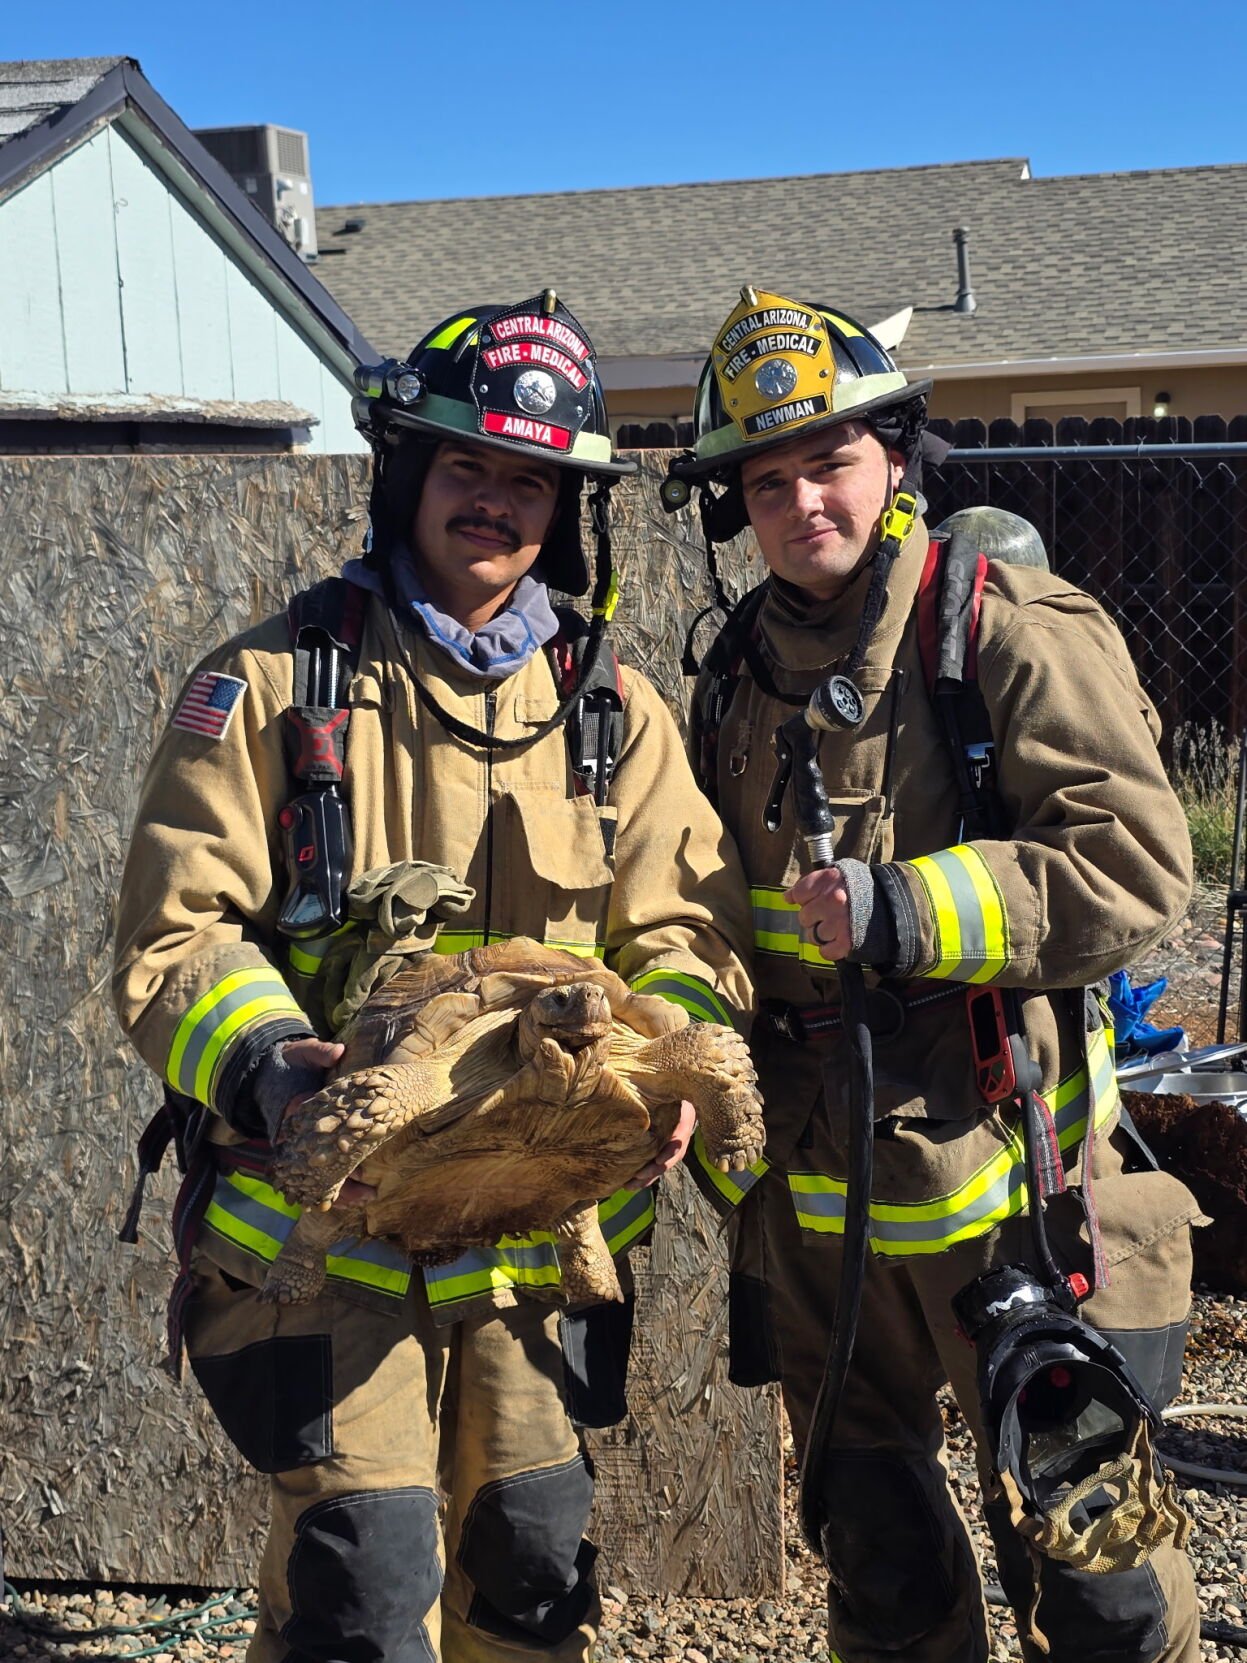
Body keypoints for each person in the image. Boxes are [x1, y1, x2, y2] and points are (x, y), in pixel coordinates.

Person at [112, 289, 753, 1663]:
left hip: (537, 1234)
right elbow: (176, 936)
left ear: (565, 515)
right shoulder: (280, 686)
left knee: (530, 1561)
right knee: (364, 1571)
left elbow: (686, 930)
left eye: (532, 482)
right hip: (322, 1227)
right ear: (408, 472)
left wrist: (675, 1058)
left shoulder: (611, 711)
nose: (497, 504)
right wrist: (283, 1072)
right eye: (469, 466)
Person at [665, 287, 1202, 1663]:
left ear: (894, 459)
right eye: (767, 480)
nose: (803, 504)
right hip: (819, 1229)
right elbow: (704, 911)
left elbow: (1138, 868)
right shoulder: (732, 678)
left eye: (829, 462)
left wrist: (909, 909)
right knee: (883, 1581)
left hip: (1017, 1205)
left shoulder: (1001, 630)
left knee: (1104, 1581)